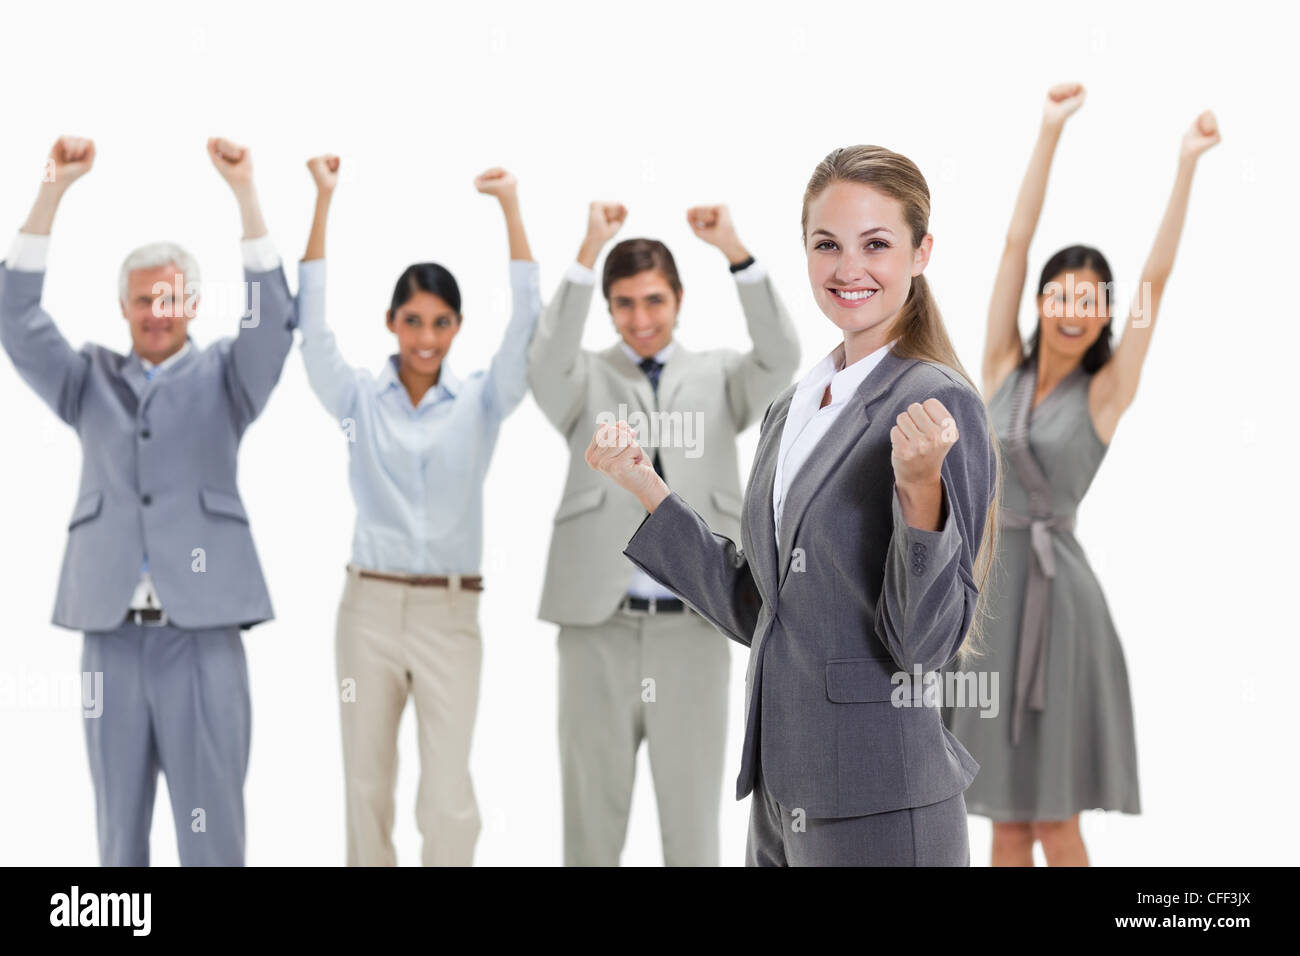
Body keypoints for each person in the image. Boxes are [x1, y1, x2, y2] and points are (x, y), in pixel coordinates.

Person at [585, 145, 999, 866]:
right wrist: (645, 486)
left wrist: (922, 490)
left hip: (879, 802)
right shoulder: (795, 406)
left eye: (876, 244)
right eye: (827, 244)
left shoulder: (936, 400)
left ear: (921, 252)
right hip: (783, 795)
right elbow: (762, 606)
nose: (849, 268)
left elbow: (922, 647)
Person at [941, 83, 1221, 866]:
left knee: (1055, 819)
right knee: (999, 816)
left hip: (1060, 602)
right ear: (1040, 301)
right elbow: (1012, 244)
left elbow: (1154, 287)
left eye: (1090, 298)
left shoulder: (1107, 391)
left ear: (1103, 313)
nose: (1073, 307)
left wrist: (1186, 166)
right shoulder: (1000, 363)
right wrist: (1049, 131)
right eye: (1060, 293)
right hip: (987, 595)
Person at [0, 135, 296, 865]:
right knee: (117, 837)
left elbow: (273, 324)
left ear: (191, 301)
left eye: (169, 299)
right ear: (124, 306)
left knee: (214, 833)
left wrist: (246, 195)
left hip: (203, 637)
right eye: (142, 302)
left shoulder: (231, 377)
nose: (156, 314)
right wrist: (54, 188)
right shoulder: (85, 380)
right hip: (109, 636)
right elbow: (14, 315)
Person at [529, 201, 800, 865]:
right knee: (589, 824)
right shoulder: (582, 378)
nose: (641, 319)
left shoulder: (722, 376)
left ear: (678, 298)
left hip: (695, 628)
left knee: (692, 825)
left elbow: (782, 354)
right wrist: (588, 248)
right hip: (599, 627)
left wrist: (734, 250)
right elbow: (543, 362)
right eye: (624, 305)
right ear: (608, 307)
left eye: (654, 300)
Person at [294, 155, 540, 866]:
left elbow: (527, 326)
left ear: (458, 325)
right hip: (365, 611)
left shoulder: (482, 404)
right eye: (412, 320)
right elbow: (311, 330)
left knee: (447, 797)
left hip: (450, 617)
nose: (425, 337)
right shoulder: (355, 402)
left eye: (439, 322)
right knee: (365, 787)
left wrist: (509, 206)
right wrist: (323, 198)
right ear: (391, 322)